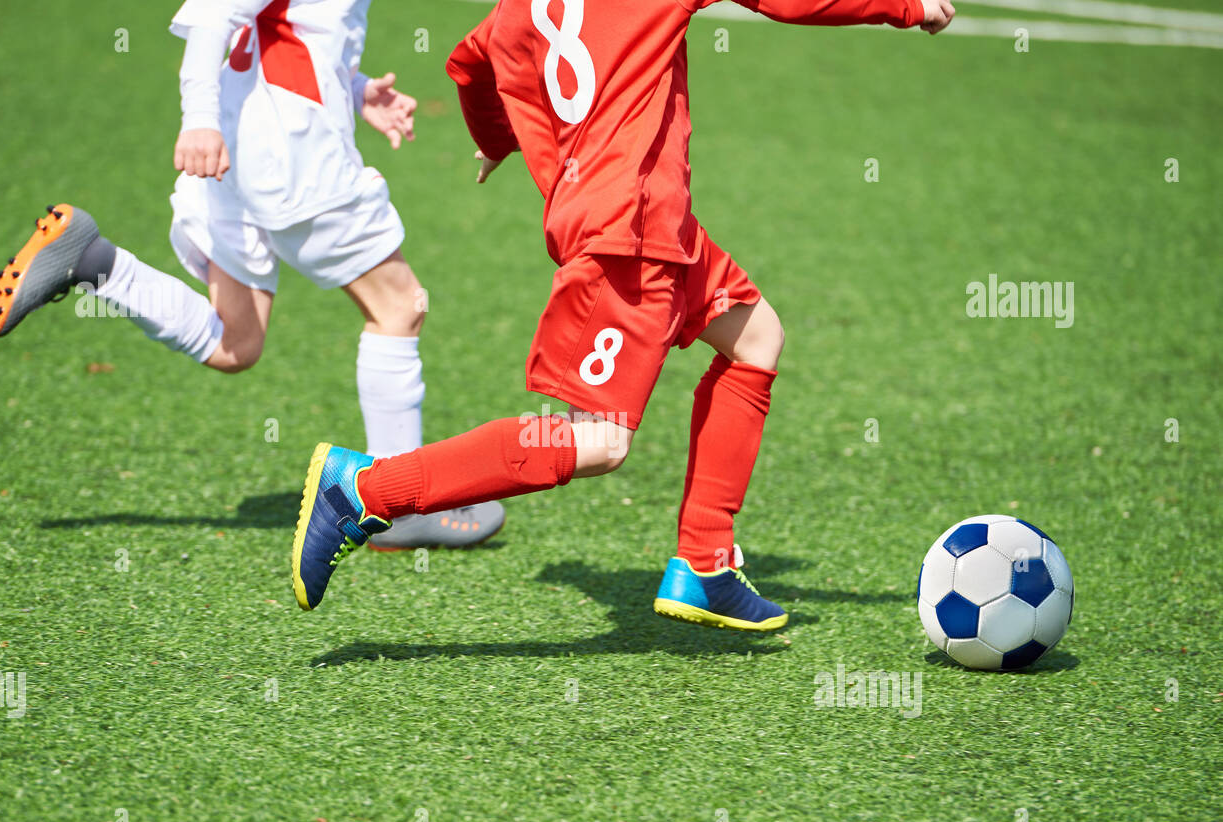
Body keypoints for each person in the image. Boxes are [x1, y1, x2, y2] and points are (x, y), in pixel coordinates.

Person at [292, 0, 955, 621]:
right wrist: (904, 6)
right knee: (600, 441)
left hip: (647, 223)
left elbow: (470, 63)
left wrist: (497, 140)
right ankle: (367, 490)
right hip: (629, 230)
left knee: (757, 337)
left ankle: (704, 561)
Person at [0, 0, 504, 550]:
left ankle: (94, 264)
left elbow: (282, 29)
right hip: (293, 158)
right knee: (400, 306)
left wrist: (355, 88)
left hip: (245, 153)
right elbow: (215, 15)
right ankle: (398, 504)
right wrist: (199, 120)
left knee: (235, 343)